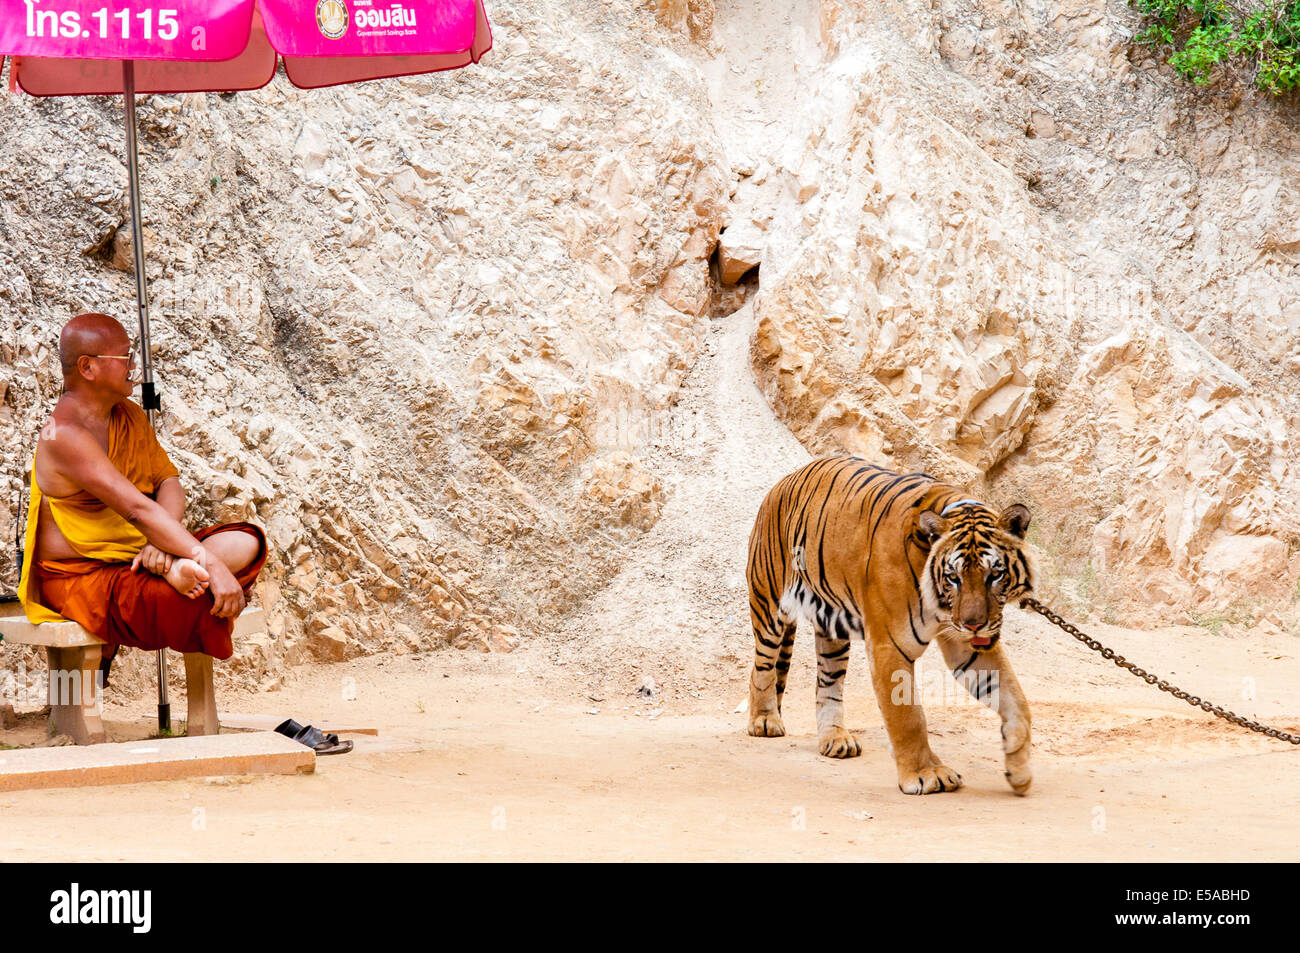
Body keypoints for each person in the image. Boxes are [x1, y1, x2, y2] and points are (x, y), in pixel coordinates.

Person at [17, 313, 267, 675]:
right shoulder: (64, 434)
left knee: (248, 540)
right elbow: (136, 509)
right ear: (88, 367)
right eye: (125, 357)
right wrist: (208, 563)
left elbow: (169, 482)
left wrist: (165, 548)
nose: (134, 365)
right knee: (195, 601)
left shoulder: (129, 415)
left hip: (139, 557)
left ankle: (177, 569)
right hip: (83, 576)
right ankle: (68, 716)